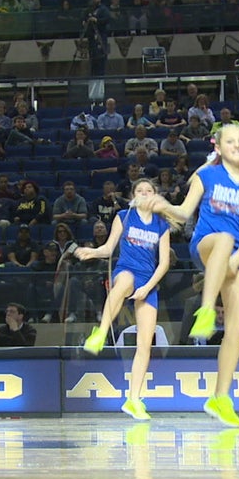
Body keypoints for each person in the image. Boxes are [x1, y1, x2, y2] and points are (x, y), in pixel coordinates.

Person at [137, 124, 239, 427]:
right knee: (222, 237)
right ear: (218, 148)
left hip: (237, 256)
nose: (237, 145)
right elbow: (183, 213)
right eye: (230, 141)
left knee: (236, 327)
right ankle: (206, 310)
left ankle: (220, 398)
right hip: (207, 244)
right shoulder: (206, 175)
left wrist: (235, 262)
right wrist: (164, 206)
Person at [76, 178, 172, 421]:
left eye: (148, 190)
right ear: (133, 195)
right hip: (127, 268)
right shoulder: (124, 216)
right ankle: (100, 333)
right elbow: (109, 248)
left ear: (154, 194)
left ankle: (133, 400)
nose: (143, 193)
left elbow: (165, 263)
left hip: (148, 280)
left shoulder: (162, 223)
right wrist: (92, 252)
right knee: (124, 281)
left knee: (145, 345)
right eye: (139, 190)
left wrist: (148, 287)